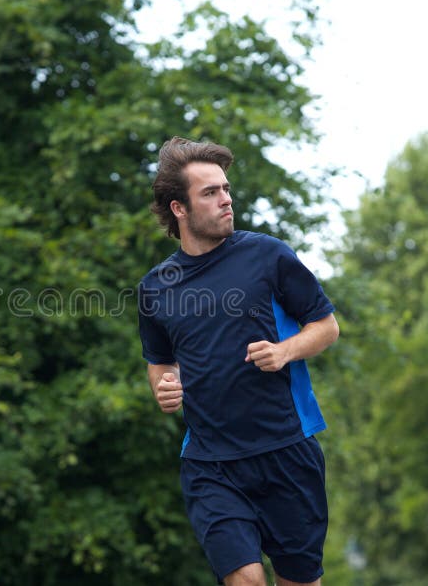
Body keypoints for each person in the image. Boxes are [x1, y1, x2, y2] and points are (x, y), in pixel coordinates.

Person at [137, 137, 339, 586]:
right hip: (211, 462)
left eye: (226, 189)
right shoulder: (155, 289)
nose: (226, 199)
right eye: (210, 192)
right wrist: (165, 385)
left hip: (286, 448)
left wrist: (284, 350)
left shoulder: (268, 255)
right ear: (179, 209)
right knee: (245, 580)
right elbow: (160, 361)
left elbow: (326, 326)